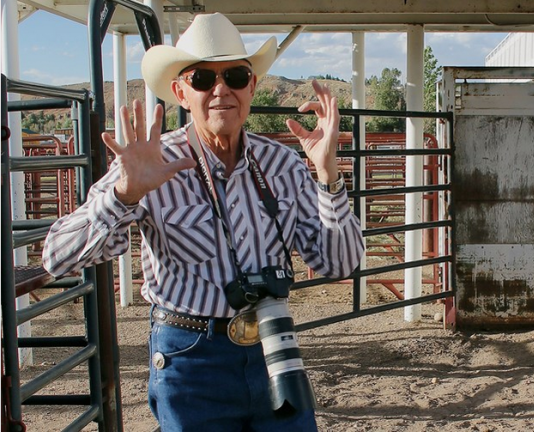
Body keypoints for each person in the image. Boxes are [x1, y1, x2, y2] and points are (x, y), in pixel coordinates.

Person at [42, 12, 364, 432]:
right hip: (190, 359)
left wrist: (328, 176)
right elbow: (56, 257)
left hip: (274, 348)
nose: (220, 90)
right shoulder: (151, 163)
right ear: (180, 91)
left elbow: (341, 264)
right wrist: (124, 195)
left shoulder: (283, 164)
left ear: (251, 86)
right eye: (202, 79)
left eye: (235, 76)